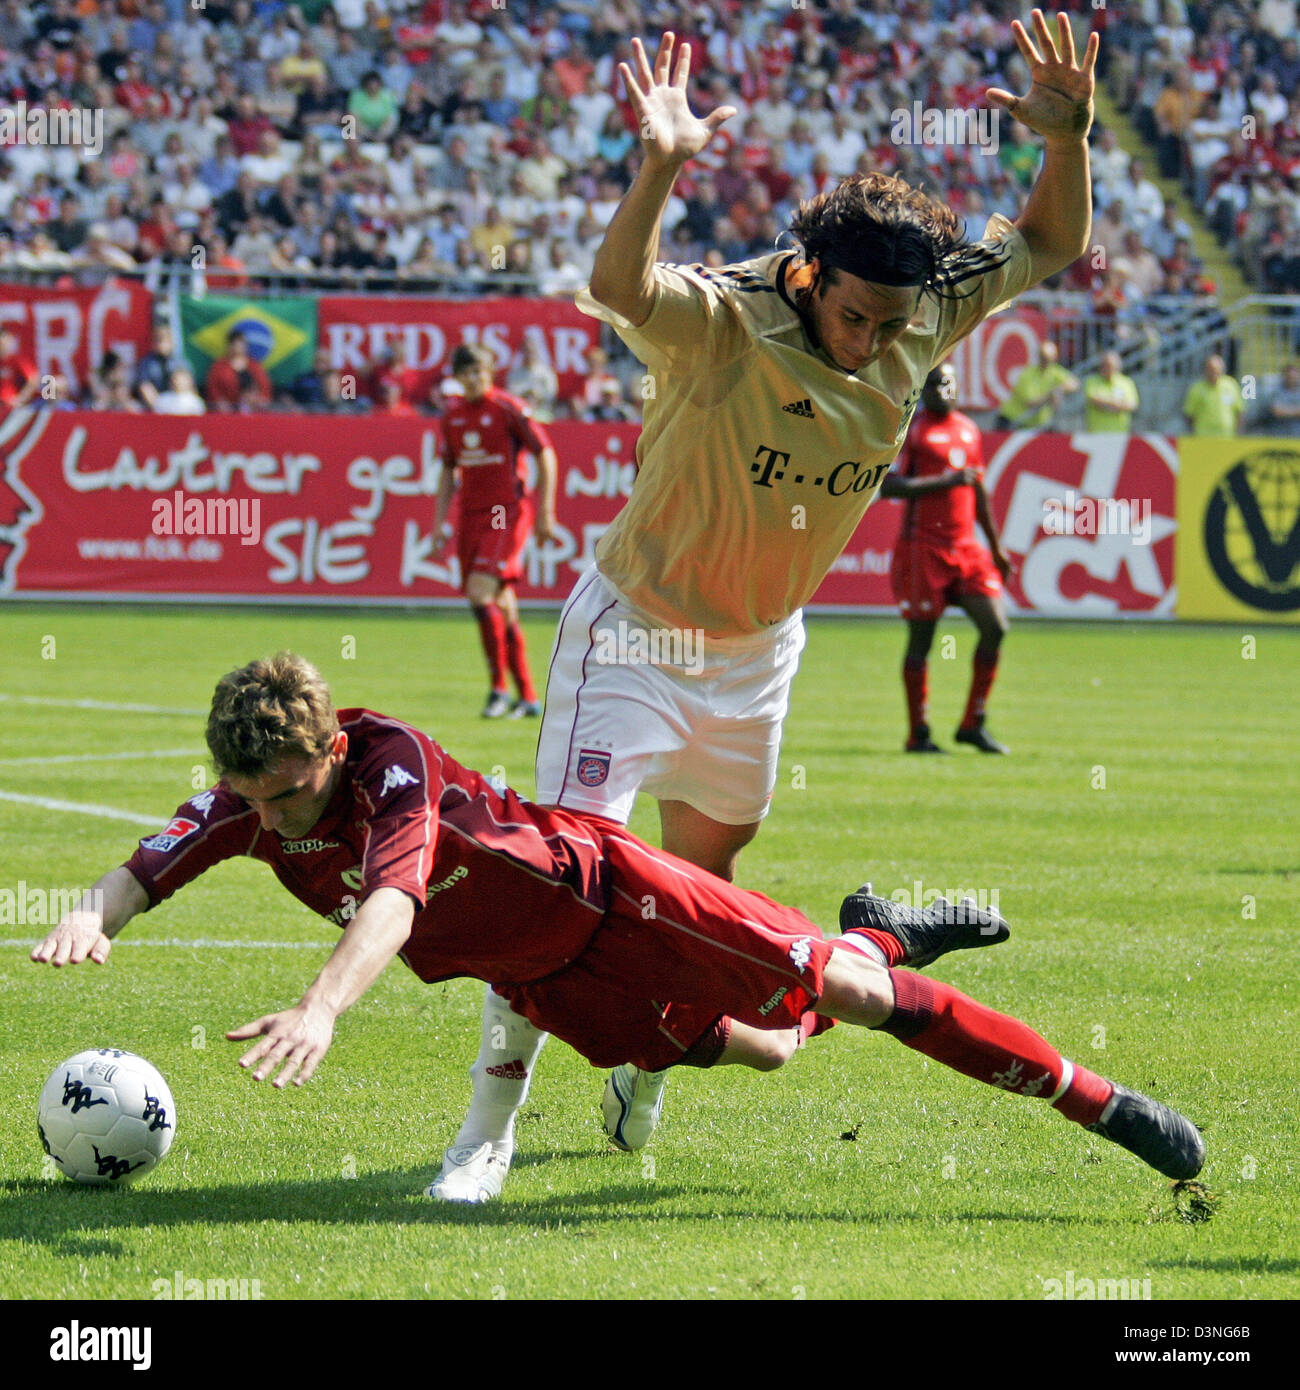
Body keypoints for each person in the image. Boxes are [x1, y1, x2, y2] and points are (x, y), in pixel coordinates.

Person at [437, 17, 1103, 1203]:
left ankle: (653, 1062)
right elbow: (614, 287)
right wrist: (659, 167)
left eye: (896, 327)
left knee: (708, 886)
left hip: (757, 658)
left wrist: (1066, 138)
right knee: (558, 880)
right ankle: (483, 1132)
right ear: (807, 274)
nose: (877, 345)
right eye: (857, 320)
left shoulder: (920, 309)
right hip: (635, 636)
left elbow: (1051, 240)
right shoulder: (730, 319)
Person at [31, 653, 1206, 1196]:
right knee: (773, 1046)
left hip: (616, 892)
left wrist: (320, 1007)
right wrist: (93, 919)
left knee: (846, 999)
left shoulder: (388, 766)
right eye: (251, 799)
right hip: (548, 982)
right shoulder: (247, 802)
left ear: (327, 749)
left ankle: (1105, 1106)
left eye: (286, 791)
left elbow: (392, 898)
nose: (270, 816)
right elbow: (146, 866)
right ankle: (885, 930)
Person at [883, 362, 1012, 754]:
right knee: (922, 638)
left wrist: (995, 546)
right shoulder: (912, 431)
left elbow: (978, 491)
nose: (945, 389)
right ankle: (918, 734)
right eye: (937, 383)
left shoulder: (969, 430)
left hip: (966, 548)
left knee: (996, 627)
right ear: (924, 390)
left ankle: (973, 723)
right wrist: (948, 480)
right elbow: (889, 486)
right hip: (923, 548)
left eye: (951, 383)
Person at [431, 344, 559, 719]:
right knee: (502, 604)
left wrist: (545, 512)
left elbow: (545, 453)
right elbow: (448, 471)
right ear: (456, 377)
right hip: (469, 517)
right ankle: (530, 697)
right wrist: (439, 522)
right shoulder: (451, 416)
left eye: (480, 372)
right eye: (466, 373)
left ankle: (498, 691)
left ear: (490, 373)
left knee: (479, 593)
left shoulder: (508, 408)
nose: (474, 379)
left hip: (505, 514)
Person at [996, 338, 1079, 429]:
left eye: (1049, 359)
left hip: (1034, 423)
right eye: (1044, 358)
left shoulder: (1054, 371)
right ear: (1039, 357)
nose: (1046, 362)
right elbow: (1030, 403)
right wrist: (1051, 395)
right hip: (1012, 421)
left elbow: (1074, 384)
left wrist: (1059, 389)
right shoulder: (1028, 374)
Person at [1182, 353, 1244, 437]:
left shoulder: (1231, 385)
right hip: (1203, 437)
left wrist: (1238, 433)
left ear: (1221, 370)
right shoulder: (1197, 388)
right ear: (1205, 370)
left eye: (1216, 369)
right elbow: (1189, 414)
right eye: (1210, 369)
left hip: (1227, 437)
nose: (1213, 372)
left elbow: (1239, 411)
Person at [1083, 350, 1139, 432]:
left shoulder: (1126, 382)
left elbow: (1132, 405)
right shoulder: (1091, 381)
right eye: (1104, 365)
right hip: (1096, 433)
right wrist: (1118, 404)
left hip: (1120, 433)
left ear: (1117, 366)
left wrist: (1105, 403)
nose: (1107, 369)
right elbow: (1094, 400)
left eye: (1110, 366)